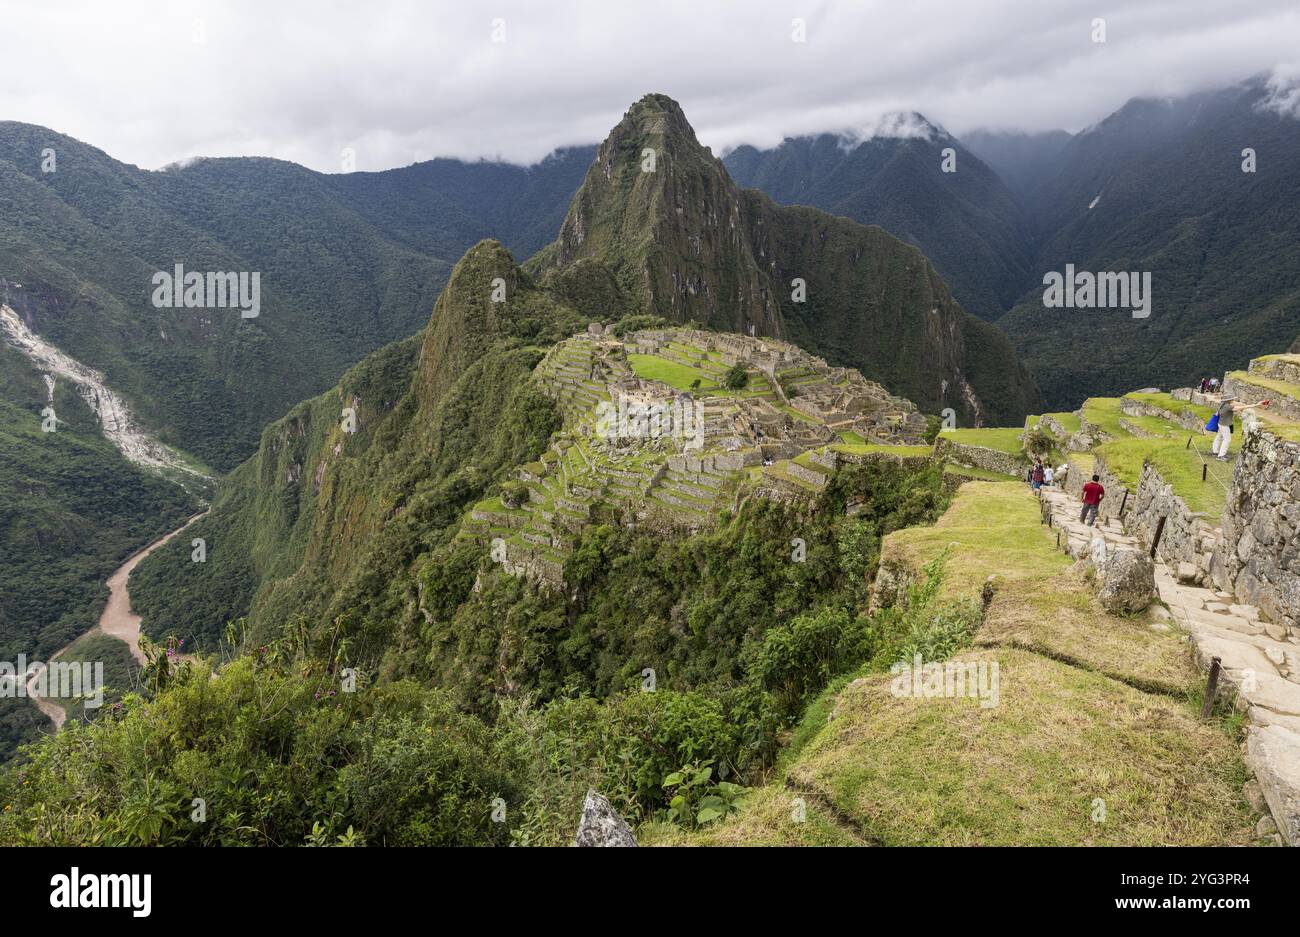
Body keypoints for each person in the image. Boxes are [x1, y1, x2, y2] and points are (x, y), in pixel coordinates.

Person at [1211, 395, 1266, 461]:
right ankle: (1221, 456)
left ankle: (1215, 451)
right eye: (1232, 399)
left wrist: (1257, 404)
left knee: (1219, 437)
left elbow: (1239, 404)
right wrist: (1255, 405)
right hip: (1224, 425)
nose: (1233, 400)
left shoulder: (1223, 404)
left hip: (1221, 423)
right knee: (1227, 439)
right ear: (1229, 400)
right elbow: (1241, 407)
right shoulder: (1228, 407)